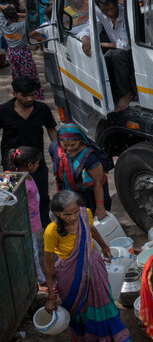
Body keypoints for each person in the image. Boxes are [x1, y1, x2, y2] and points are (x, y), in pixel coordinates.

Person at [42, 191, 138, 342]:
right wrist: (50, 295)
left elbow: (92, 230)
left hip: (94, 268)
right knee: (79, 313)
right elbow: (48, 267)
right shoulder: (51, 231)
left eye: (74, 212)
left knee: (105, 308)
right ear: (56, 213)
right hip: (70, 277)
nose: (72, 217)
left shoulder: (85, 214)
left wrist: (104, 246)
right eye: (66, 214)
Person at [0, 76, 57, 225]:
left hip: (36, 164)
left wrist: (57, 151)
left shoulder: (42, 109)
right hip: (11, 166)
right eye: (25, 96)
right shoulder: (3, 111)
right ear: (14, 94)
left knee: (42, 198)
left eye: (32, 95)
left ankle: (45, 227)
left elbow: (51, 129)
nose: (30, 98)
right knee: (9, 198)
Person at [77, 0, 132, 111]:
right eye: (105, 10)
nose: (109, 13)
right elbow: (90, 27)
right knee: (103, 60)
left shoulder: (125, 13)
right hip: (115, 48)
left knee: (118, 55)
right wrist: (85, 38)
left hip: (132, 52)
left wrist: (100, 44)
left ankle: (126, 94)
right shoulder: (99, 12)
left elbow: (125, 45)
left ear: (116, 2)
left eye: (112, 8)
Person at [50, 122, 112, 219]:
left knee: (87, 221)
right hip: (68, 192)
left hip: (88, 196)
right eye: (65, 145)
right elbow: (56, 163)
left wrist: (100, 208)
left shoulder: (90, 158)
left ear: (80, 140)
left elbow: (98, 183)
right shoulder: (55, 147)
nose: (69, 148)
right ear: (59, 141)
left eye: (73, 145)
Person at [9, 146, 45, 283]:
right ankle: (39, 279)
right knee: (32, 251)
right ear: (29, 165)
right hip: (27, 223)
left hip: (31, 222)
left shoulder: (24, 176)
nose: (38, 165)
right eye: (36, 163)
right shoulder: (18, 181)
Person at [2, 5, 45, 91]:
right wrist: (17, 14)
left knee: (16, 73)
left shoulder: (2, 24)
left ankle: (20, 89)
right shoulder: (21, 25)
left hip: (11, 52)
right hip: (23, 52)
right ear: (15, 16)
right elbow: (29, 16)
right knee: (29, 72)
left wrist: (11, 14)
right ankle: (35, 90)